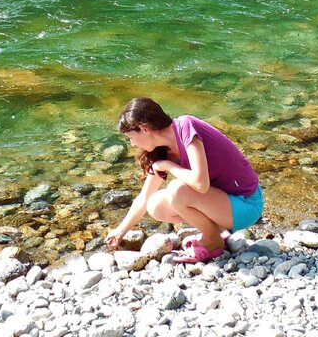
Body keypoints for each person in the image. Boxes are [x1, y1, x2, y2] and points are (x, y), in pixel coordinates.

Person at [105, 96, 264, 264]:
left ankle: (212, 241)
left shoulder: (186, 126)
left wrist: (169, 166)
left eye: (131, 137)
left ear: (145, 129)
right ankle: (213, 230)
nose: (132, 144)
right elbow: (144, 197)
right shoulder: (161, 151)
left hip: (246, 204)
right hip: (222, 205)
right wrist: (120, 231)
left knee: (176, 190)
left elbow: (201, 185)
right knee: (155, 204)